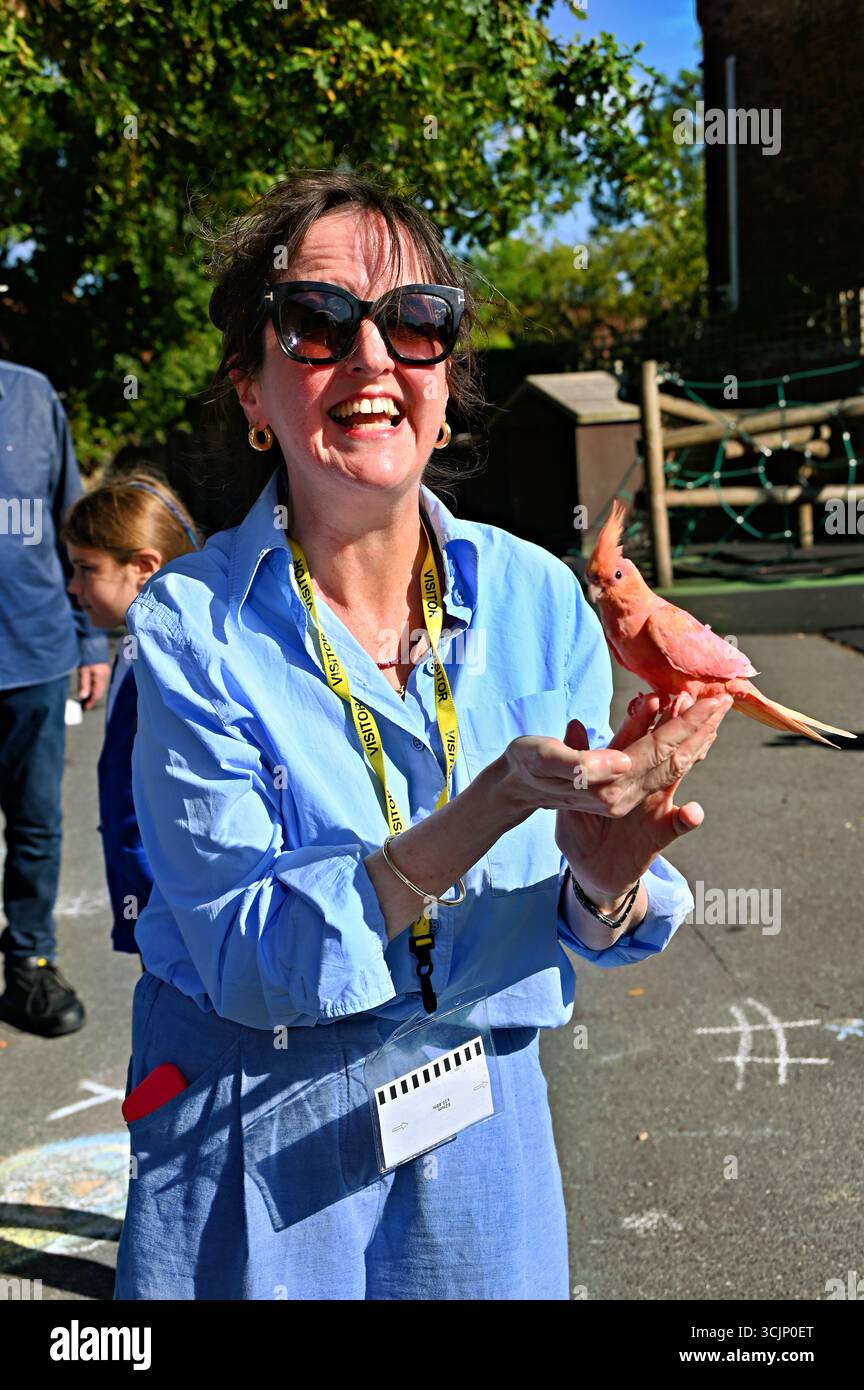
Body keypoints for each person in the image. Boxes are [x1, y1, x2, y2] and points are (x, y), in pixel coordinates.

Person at [113, 169, 733, 1301]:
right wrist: (488, 803)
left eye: (416, 321)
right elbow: (255, 959)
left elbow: (576, 924)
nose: (372, 359)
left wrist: (601, 887)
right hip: (259, 1128)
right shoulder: (188, 625)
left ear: (445, 378)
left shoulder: (542, 599)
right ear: (251, 390)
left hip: (480, 1126)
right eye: (315, 322)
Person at [0, 358, 111, 1037]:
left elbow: (73, 521)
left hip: (34, 651)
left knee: (37, 824)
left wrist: (90, 640)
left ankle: (29, 962)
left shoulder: (31, 394)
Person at [59, 471, 202, 962]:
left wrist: (152, 898)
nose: (73, 586)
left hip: (172, 909)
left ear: (143, 565)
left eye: (85, 569)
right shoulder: (133, 641)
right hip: (148, 896)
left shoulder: (170, 660)